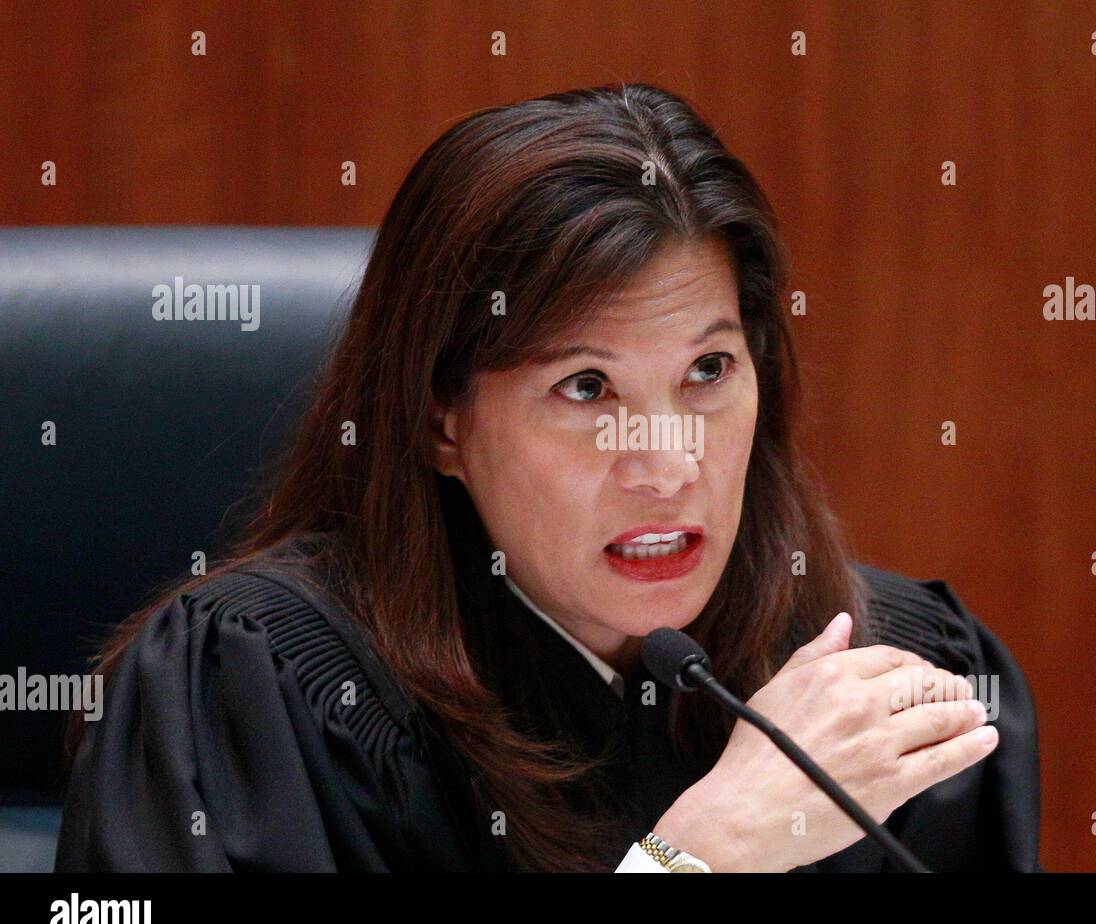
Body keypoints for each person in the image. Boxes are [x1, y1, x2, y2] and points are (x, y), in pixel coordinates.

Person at [56, 82, 1041, 873]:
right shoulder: (258, 698)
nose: (666, 466)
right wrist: (696, 859)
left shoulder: (896, 685)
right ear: (442, 418)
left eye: (707, 371)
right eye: (585, 387)